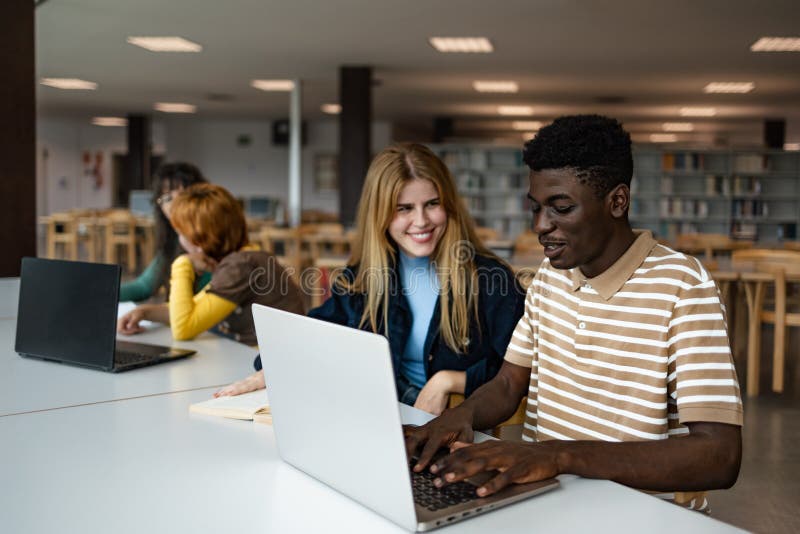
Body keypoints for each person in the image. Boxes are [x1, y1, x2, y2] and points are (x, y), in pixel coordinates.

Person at [404, 115, 742, 511]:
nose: (541, 226)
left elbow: (720, 456)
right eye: (536, 208)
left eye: (561, 208)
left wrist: (558, 456)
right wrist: (459, 417)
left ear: (617, 201)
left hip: (636, 512)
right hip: (545, 500)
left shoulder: (684, 285)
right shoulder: (549, 276)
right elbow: (510, 383)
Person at [215, 142, 526, 415]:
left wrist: (449, 380)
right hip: (379, 416)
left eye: (432, 204)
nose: (421, 221)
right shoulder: (361, 278)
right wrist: (275, 366)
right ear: (380, 214)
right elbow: (319, 331)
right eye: (404, 209)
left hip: (453, 427)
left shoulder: (490, 279)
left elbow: (519, 370)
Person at [117, 183, 305, 345]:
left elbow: (183, 328)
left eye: (181, 233)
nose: (180, 240)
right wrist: (145, 312)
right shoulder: (242, 257)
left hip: (264, 365)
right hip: (252, 359)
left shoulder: (240, 266)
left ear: (199, 236)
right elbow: (196, 309)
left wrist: (182, 264)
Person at [119, 162, 210, 302]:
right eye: (167, 198)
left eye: (182, 195)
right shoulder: (172, 242)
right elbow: (143, 286)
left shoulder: (216, 243)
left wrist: (147, 312)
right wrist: (102, 290)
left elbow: (201, 309)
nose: (174, 204)